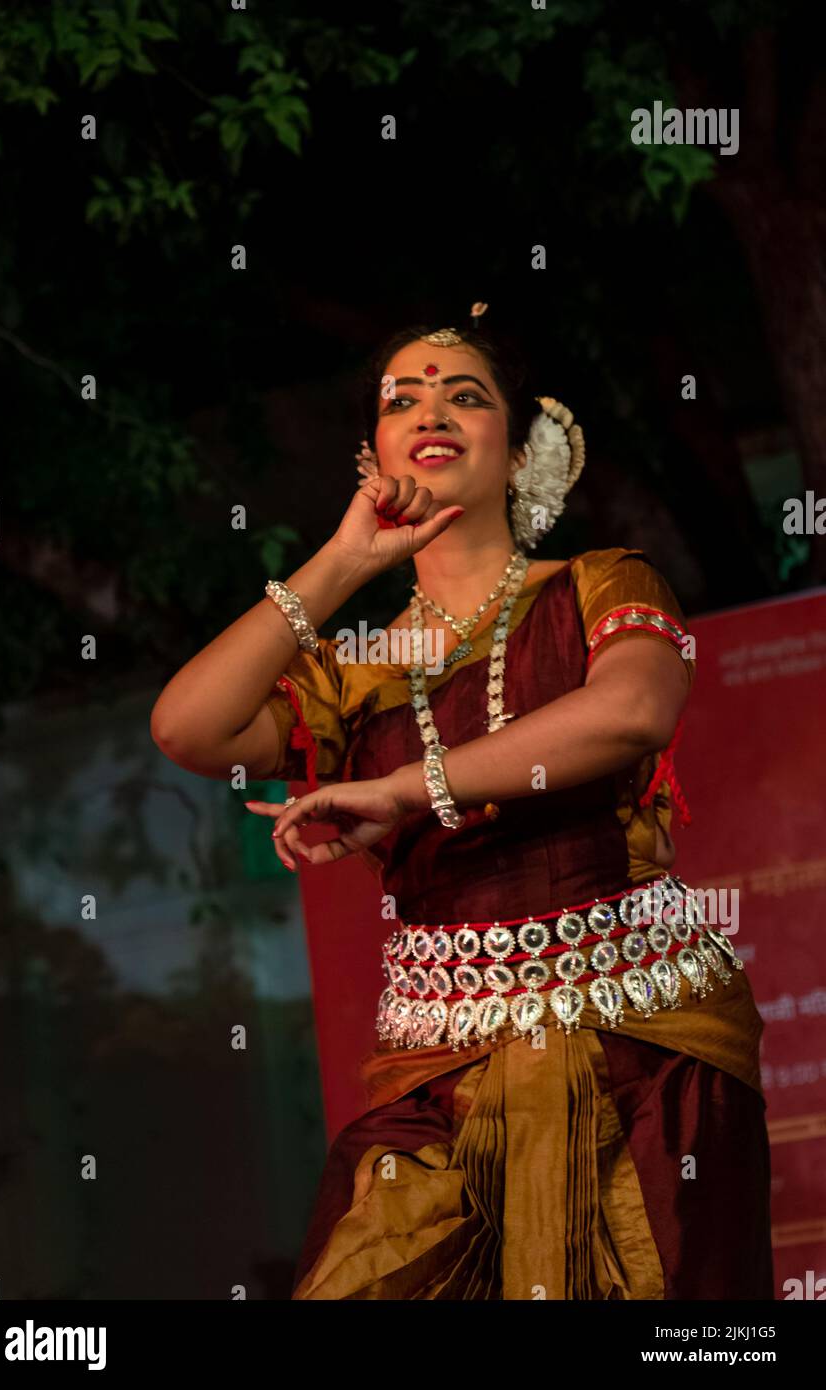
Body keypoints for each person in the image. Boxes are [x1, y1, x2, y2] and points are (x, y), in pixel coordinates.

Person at [150, 310, 773, 1301]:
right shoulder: (354, 666)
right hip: (436, 1066)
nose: (430, 410)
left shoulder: (599, 583)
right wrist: (345, 564)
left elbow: (631, 709)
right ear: (373, 453)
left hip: (640, 1045)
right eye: (403, 399)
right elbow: (188, 727)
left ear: (519, 448)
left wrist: (402, 788)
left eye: (465, 394)